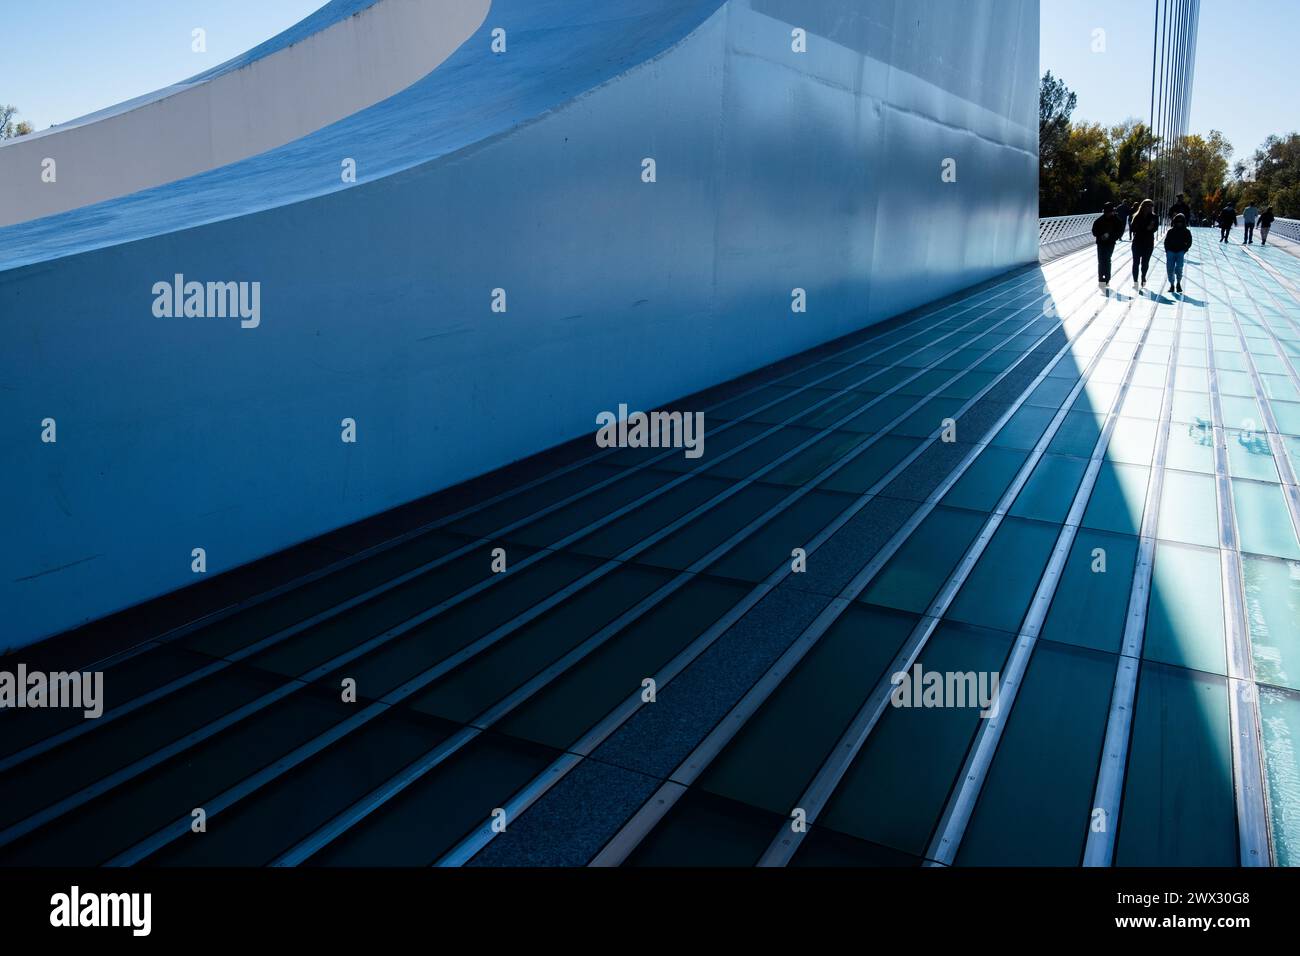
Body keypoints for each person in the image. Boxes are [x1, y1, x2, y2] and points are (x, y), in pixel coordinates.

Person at [1092, 202, 1124, 290]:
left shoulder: (1116, 220)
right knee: (1101, 261)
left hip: (1110, 243)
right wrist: (1101, 235)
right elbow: (1094, 231)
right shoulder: (1099, 220)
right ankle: (1101, 279)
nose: (1108, 213)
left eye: (1109, 212)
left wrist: (1110, 236)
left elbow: (1119, 232)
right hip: (1101, 243)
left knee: (1106, 259)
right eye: (1107, 212)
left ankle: (1106, 278)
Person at [1130, 198, 1158, 288]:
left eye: (1151, 206)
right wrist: (1146, 228)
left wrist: (1148, 228)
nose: (1149, 208)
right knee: (1136, 262)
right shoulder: (1137, 216)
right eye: (1148, 206)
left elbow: (1155, 228)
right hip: (1137, 242)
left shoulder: (1154, 217)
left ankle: (1143, 277)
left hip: (1148, 243)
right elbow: (1133, 228)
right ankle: (1135, 281)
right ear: (1143, 206)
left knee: (1145, 263)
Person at [1165, 212, 1193, 294]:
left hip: (1180, 251)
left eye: (1181, 221)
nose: (1179, 223)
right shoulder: (1170, 231)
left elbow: (1189, 241)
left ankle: (1178, 283)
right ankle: (1172, 284)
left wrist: (1185, 249)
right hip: (1170, 251)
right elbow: (1166, 241)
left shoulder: (1186, 232)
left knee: (1179, 268)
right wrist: (1167, 250)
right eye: (1177, 221)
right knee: (1170, 269)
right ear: (1175, 222)